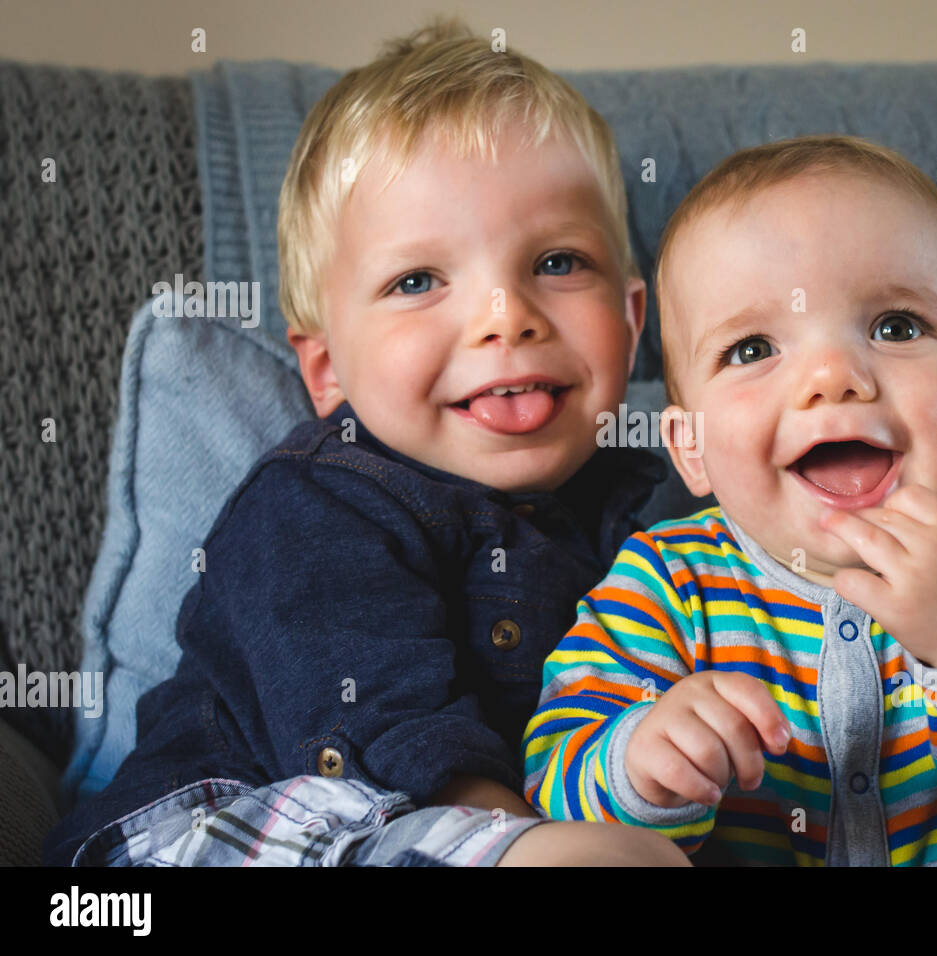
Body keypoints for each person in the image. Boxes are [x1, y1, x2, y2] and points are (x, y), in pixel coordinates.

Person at [44, 16, 688, 867]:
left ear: (633, 321)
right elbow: (371, 719)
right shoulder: (318, 499)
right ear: (327, 372)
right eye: (418, 281)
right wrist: (520, 842)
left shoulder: (658, 501)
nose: (507, 318)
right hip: (237, 824)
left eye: (559, 263)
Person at [522, 134, 937, 866]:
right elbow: (551, 785)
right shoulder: (665, 581)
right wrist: (641, 764)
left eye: (895, 327)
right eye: (753, 348)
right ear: (690, 446)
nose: (834, 377)